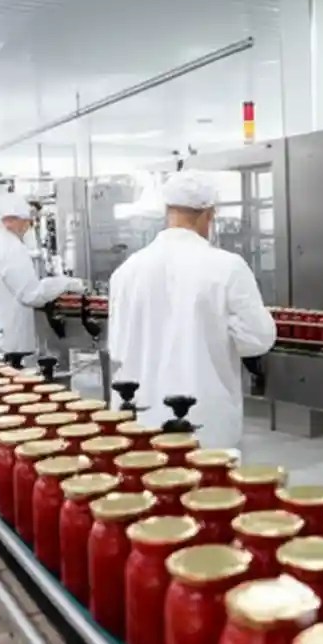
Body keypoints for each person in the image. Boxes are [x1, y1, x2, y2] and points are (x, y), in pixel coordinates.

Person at [107, 171, 276, 449]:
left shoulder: (127, 271)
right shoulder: (228, 267)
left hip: (139, 415)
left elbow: (117, 347)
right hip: (203, 416)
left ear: (167, 211)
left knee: (150, 488)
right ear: (208, 215)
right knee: (208, 489)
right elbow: (258, 340)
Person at [0, 190, 84, 367]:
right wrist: (66, 283)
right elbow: (31, 295)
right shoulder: (12, 248)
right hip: (14, 346)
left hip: (0, 337)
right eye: (26, 222)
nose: (28, 227)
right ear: (11, 221)